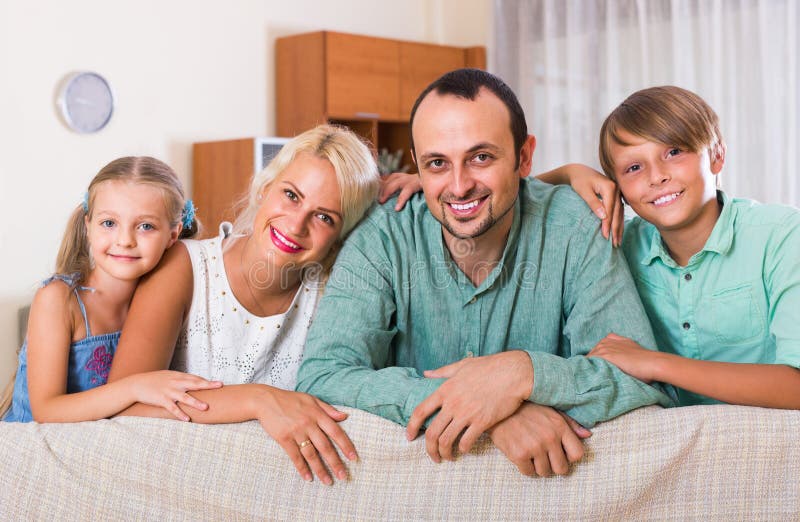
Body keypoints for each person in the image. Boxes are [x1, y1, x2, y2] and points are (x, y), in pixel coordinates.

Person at [296, 68, 675, 478]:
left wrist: (524, 374)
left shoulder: (579, 225)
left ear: (524, 157)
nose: (459, 186)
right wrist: (483, 405)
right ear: (418, 168)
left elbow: (643, 383)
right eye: (437, 163)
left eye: (481, 158)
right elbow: (323, 376)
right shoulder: (383, 234)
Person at [106, 124, 381, 485]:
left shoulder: (335, 297)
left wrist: (415, 184)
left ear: (341, 235)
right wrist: (258, 400)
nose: (297, 224)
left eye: (324, 217)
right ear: (266, 187)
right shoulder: (185, 267)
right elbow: (123, 403)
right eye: (291, 195)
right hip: (172, 480)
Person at [540, 86, 800, 408]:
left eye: (674, 152)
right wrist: (570, 173)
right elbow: (508, 201)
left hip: (766, 440)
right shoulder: (618, 244)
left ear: (717, 156)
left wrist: (655, 363)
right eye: (634, 168)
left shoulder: (782, 236)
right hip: (671, 445)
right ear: (618, 188)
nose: (657, 176)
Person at [1, 157, 223, 423]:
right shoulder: (59, 300)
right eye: (109, 223)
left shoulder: (163, 305)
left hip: (104, 448)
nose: (125, 240)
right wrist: (135, 387)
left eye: (145, 226)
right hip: (35, 450)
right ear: (88, 226)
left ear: (173, 235)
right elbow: (47, 411)